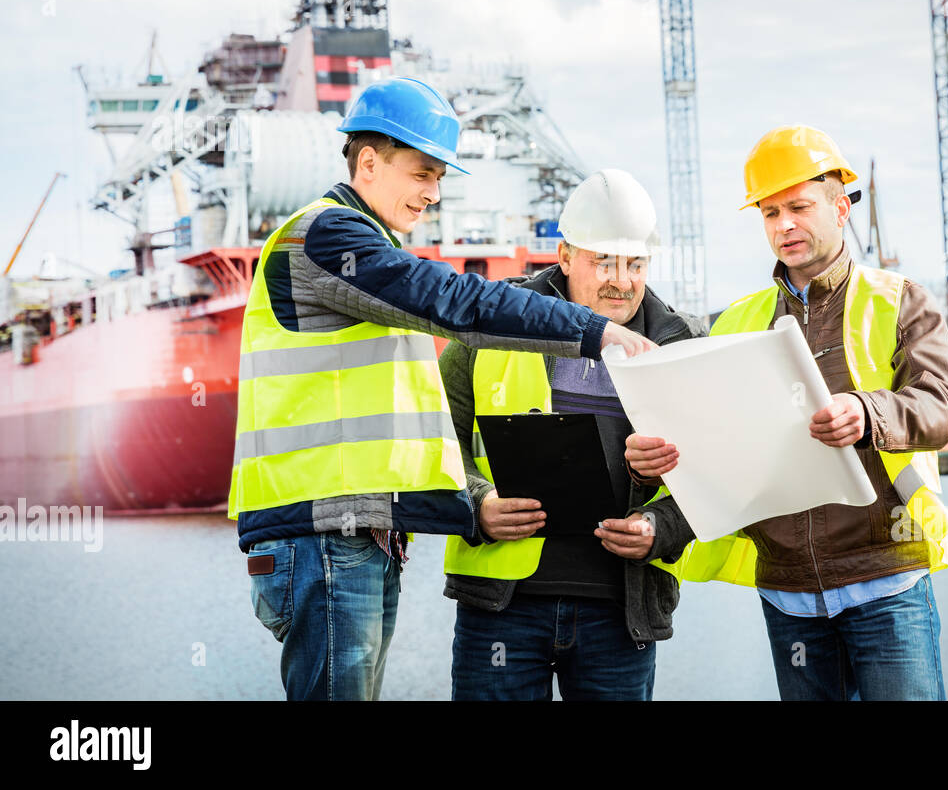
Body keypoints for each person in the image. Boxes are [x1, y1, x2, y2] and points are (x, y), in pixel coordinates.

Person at [230, 77, 655, 700]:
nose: (433, 192)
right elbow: (454, 300)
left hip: (356, 532)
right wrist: (592, 330)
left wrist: (460, 508)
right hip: (321, 533)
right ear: (368, 163)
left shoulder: (366, 249)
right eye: (422, 173)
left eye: (440, 178)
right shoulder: (328, 238)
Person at [626, 124, 948, 701]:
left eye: (799, 207)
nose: (784, 225)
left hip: (886, 576)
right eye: (770, 213)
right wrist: (650, 463)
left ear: (841, 208)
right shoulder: (738, 321)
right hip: (788, 592)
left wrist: (866, 412)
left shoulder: (898, 299)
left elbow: (944, 405)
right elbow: (712, 445)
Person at [439, 168, 707, 701]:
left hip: (622, 612)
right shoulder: (491, 321)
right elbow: (435, 438)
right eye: (603, 260)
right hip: (502, 607)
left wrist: (660, 527)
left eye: (635, 263)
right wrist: (477, 504)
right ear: (563, 256)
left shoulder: (680, 344)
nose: (621, 281)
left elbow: (714, 471)